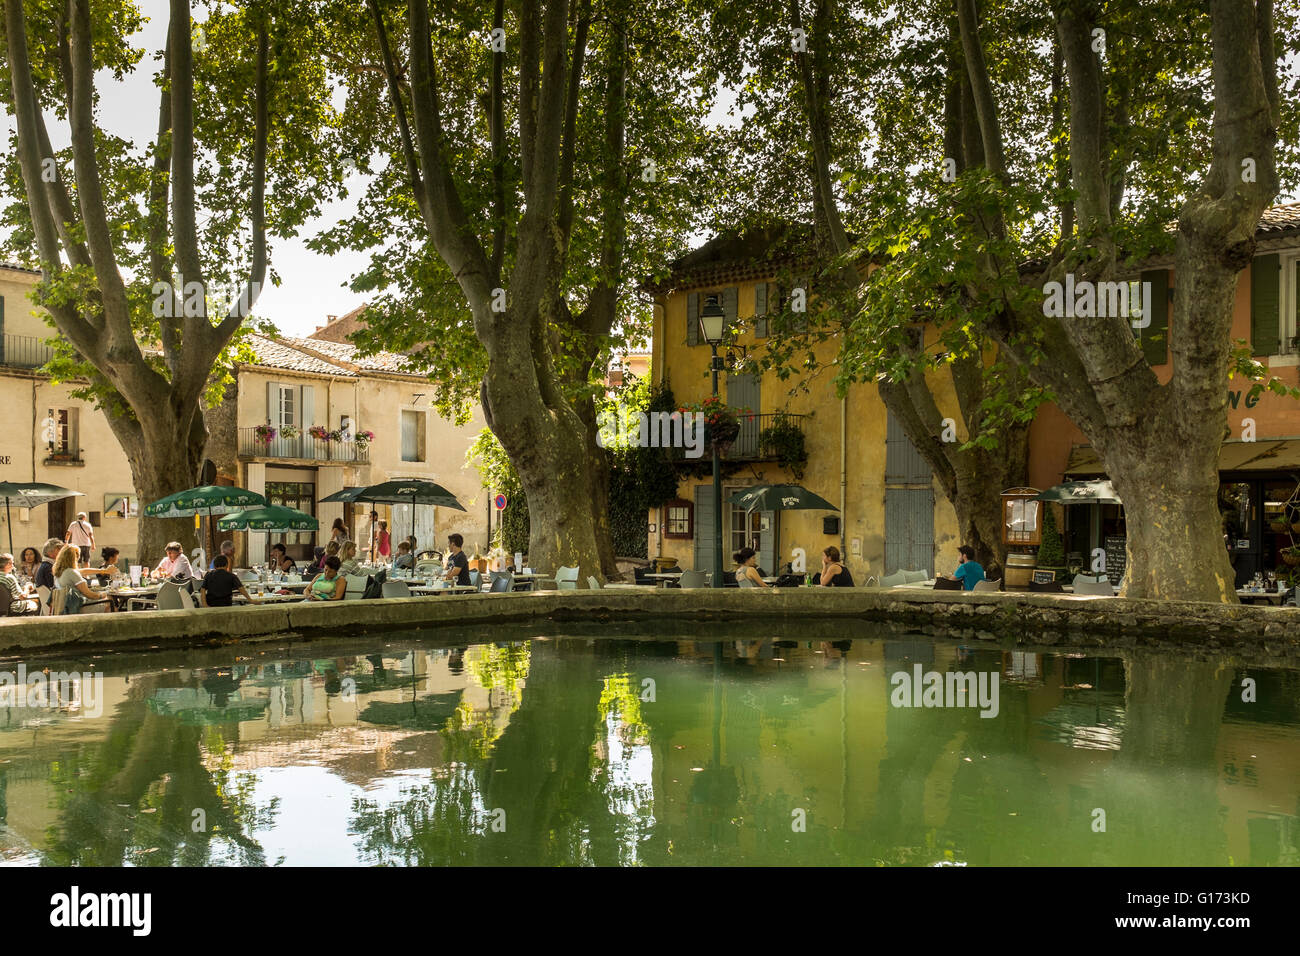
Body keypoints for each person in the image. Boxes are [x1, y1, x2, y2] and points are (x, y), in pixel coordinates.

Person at [53, 544, 109, 614]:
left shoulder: (60, 572)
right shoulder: (72, 573)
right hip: (80, 608)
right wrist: (104, 594)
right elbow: (89, 595)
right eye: (78, 556)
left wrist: (103, 571)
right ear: (74, 558)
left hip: (68, 607)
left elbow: (83, 571)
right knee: (110, 603)